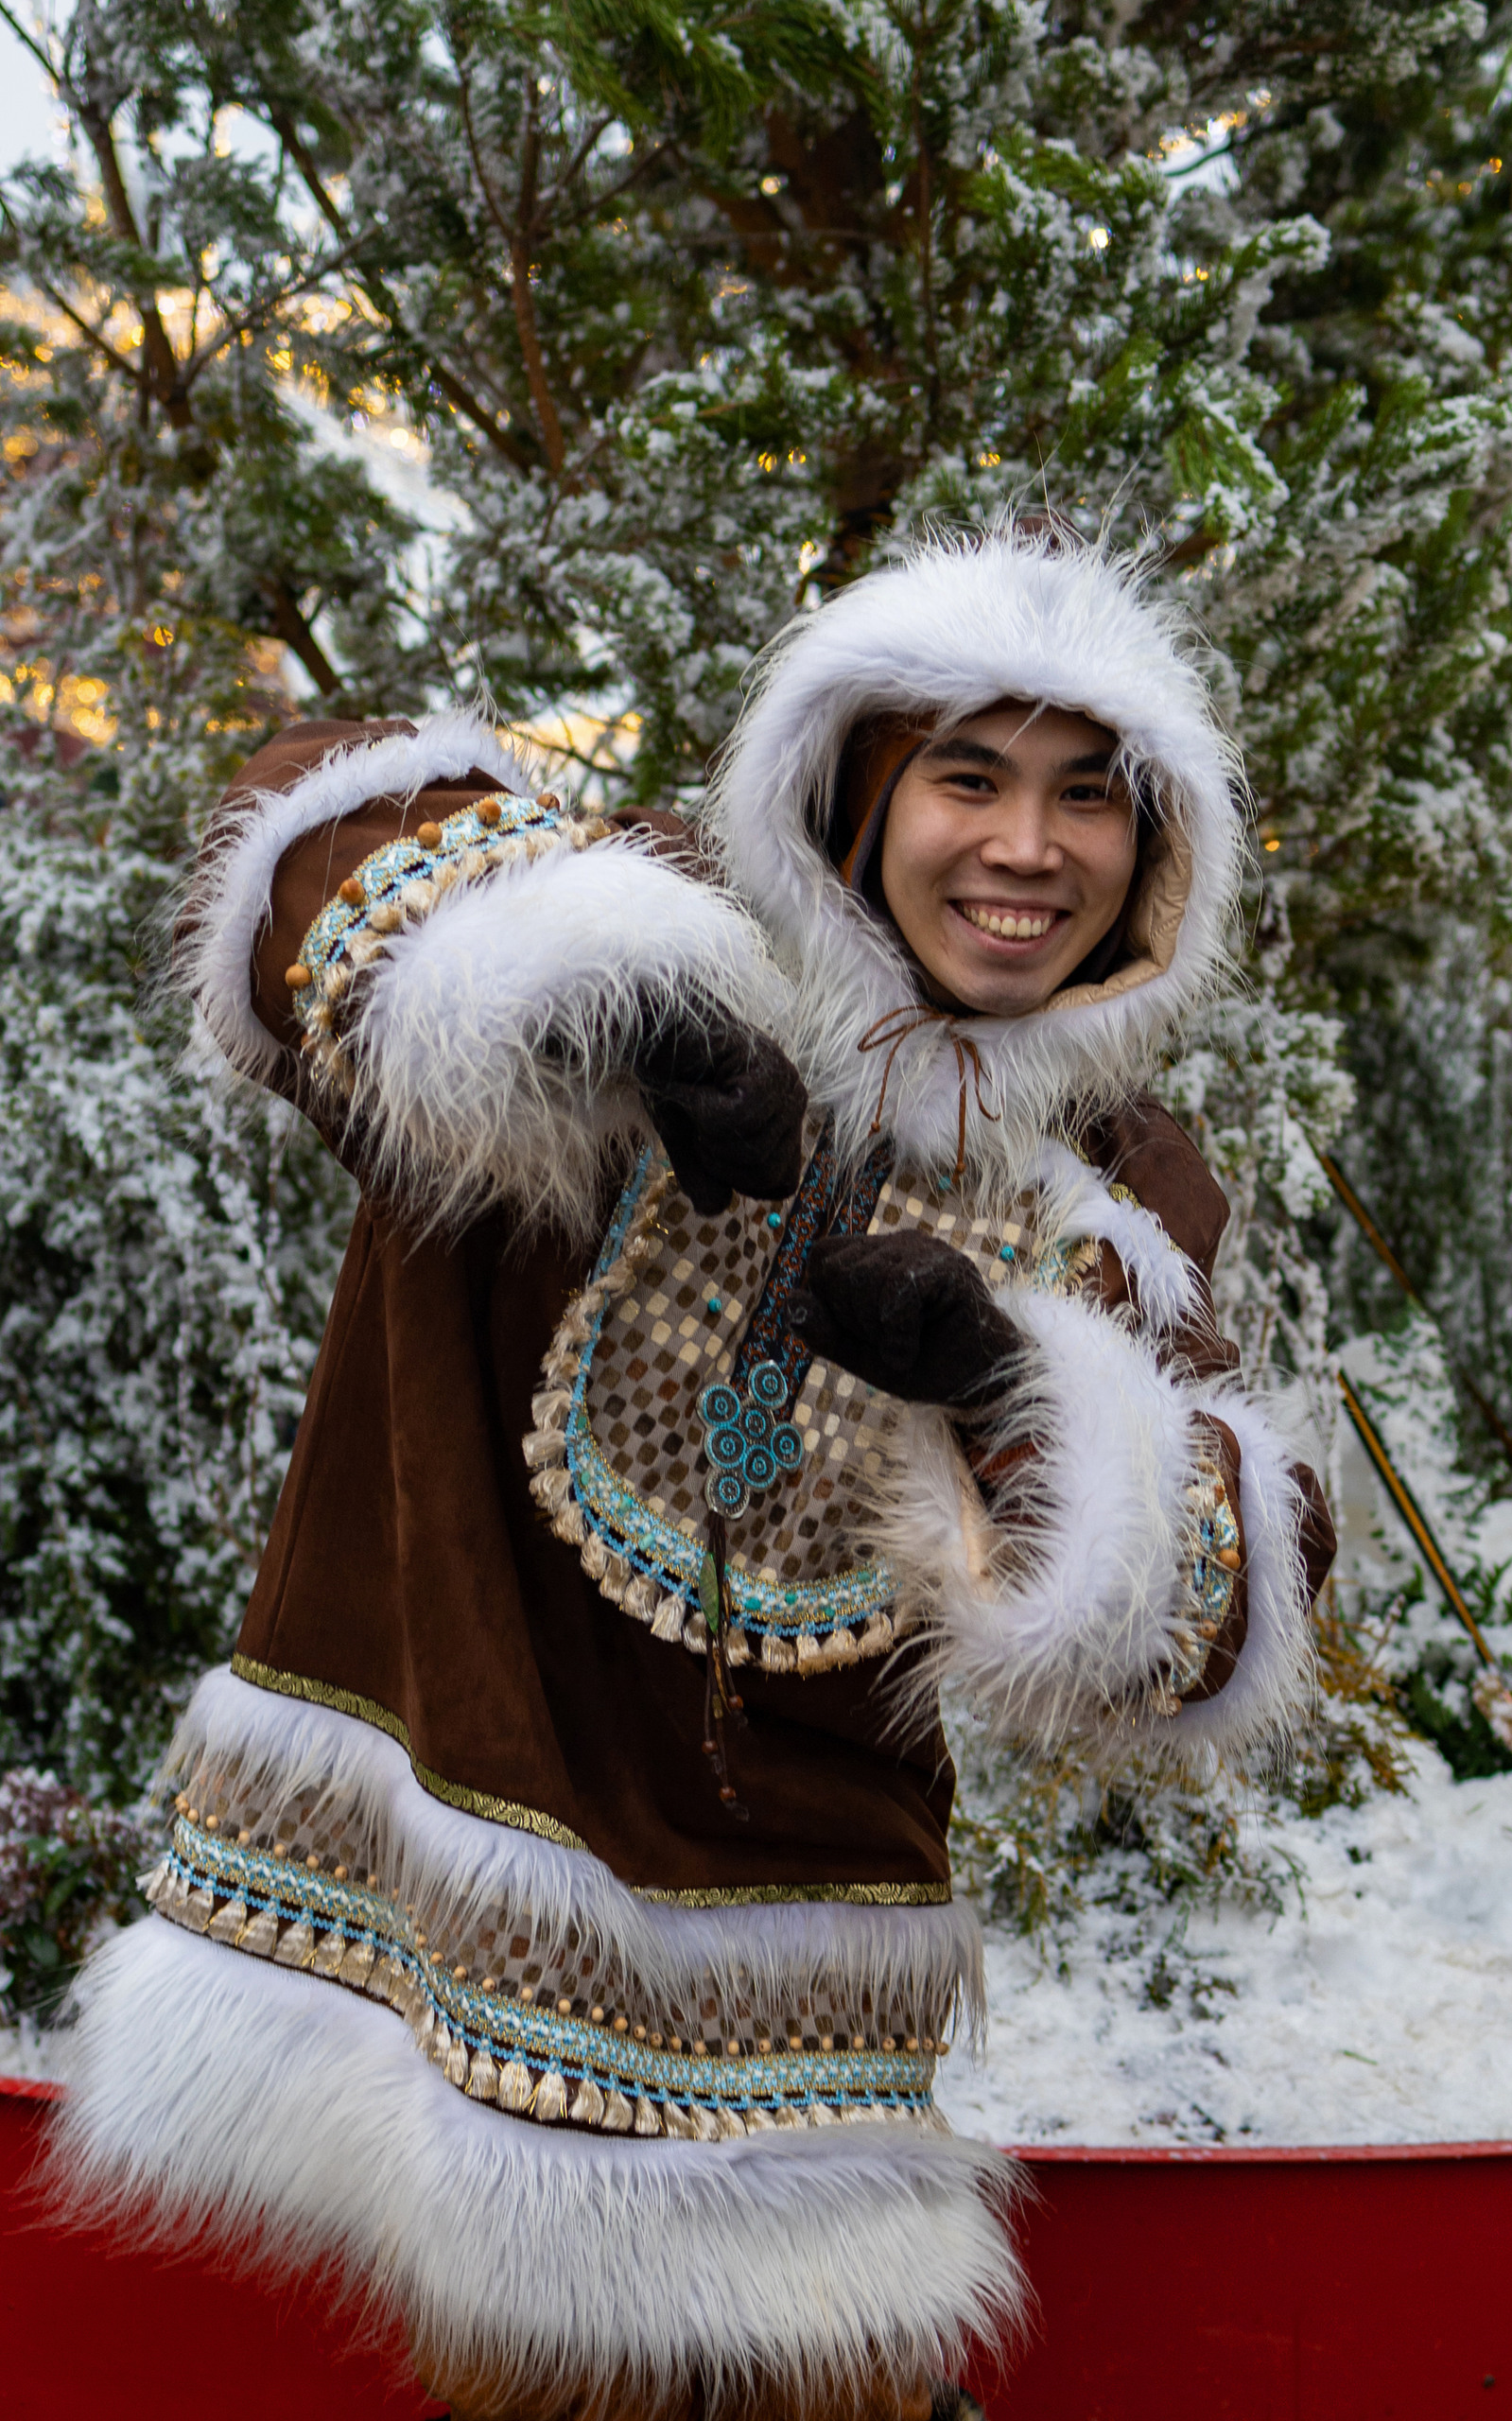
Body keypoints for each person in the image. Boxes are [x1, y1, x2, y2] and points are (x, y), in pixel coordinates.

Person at [56, 522, 1334, 2421]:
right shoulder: (648, 920)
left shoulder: (1115, 1184)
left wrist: (1011, 1378)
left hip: (804, 1995)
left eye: (1091, 799)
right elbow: (305, 819)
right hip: (485, 1893)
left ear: (1153, 859)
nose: (1024, 847)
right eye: (964, 776)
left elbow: (1196, 1627)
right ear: (847, 790)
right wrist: (608, 1004)